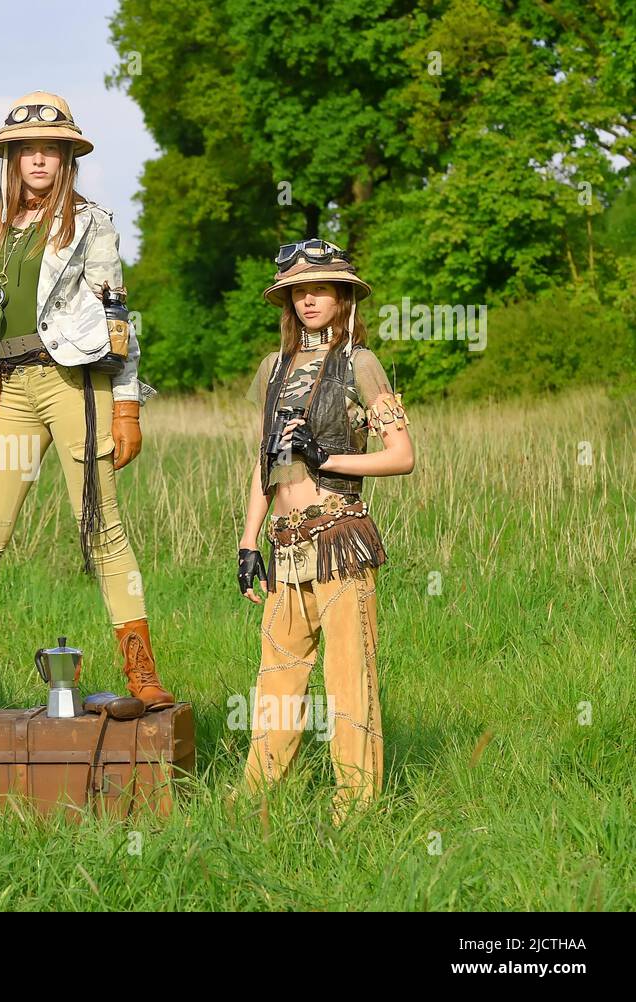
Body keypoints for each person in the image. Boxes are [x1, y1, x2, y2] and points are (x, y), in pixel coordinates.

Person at [0, 90, 173, 715]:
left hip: (77, 383)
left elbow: (117, 314)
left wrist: (126, 402)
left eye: (51, 149)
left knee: (101, 524)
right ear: (11, 158)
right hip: (10, 388)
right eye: (28, 150)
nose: (39, 160)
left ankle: (141, 669)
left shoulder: (91, 222)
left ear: (66, 158)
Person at [236, 239, 414, 823]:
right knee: (276, 684)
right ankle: (254, 802)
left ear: (341, 297)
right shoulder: (272, 368)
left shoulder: (360, 364)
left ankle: (354, 810)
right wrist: (247, 541)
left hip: (340, 537)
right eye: (298, 291)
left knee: (349, 679)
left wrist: (329, 459)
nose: (309, 299)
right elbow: (264, 460)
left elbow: (402, 456)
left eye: (320, 288)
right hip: (284, 546)